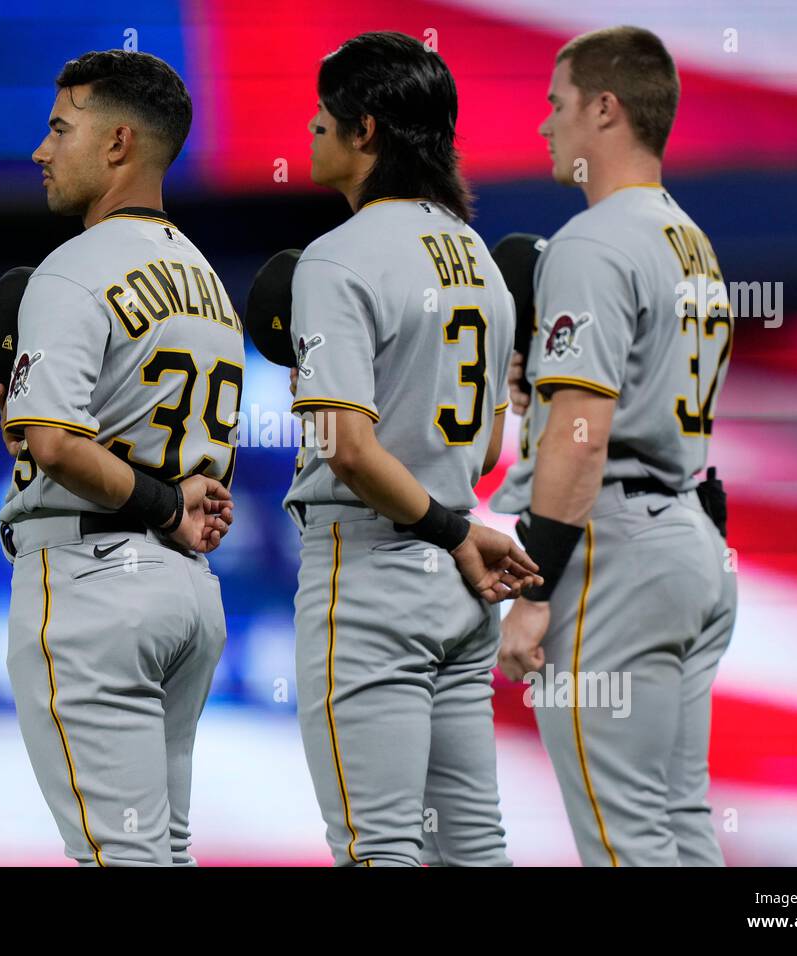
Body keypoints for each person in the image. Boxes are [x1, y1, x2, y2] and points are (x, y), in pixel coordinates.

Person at [283, 31, 541, 866]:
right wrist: (456, 528)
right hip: (460, 582)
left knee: (378, 849)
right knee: (473, 848)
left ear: (366, 130)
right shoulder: (478, 257)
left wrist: (449, 530)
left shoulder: (338, 256)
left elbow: (349, 452)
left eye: (324, 115)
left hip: (376, 566)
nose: (312, 130)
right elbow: (493, 438)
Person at [491, 26, 736, 866]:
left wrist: (533, 587)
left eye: (555, 105)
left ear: (605, 108)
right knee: (679, 825)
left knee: (624, 842)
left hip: (617, 550)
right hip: (692, 541)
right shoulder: (690, 240)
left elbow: (581, 436)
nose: (543, 126)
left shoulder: (593, 241)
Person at [0, 49, 243, 866]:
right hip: (184, 595)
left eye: (61, 127)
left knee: (119, 861)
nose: (41, 149)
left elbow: (57, 442)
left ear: (119, 143)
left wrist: (164, 505)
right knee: (162, 852)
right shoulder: (207, 280)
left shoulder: (72, 268)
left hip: (94, 581)